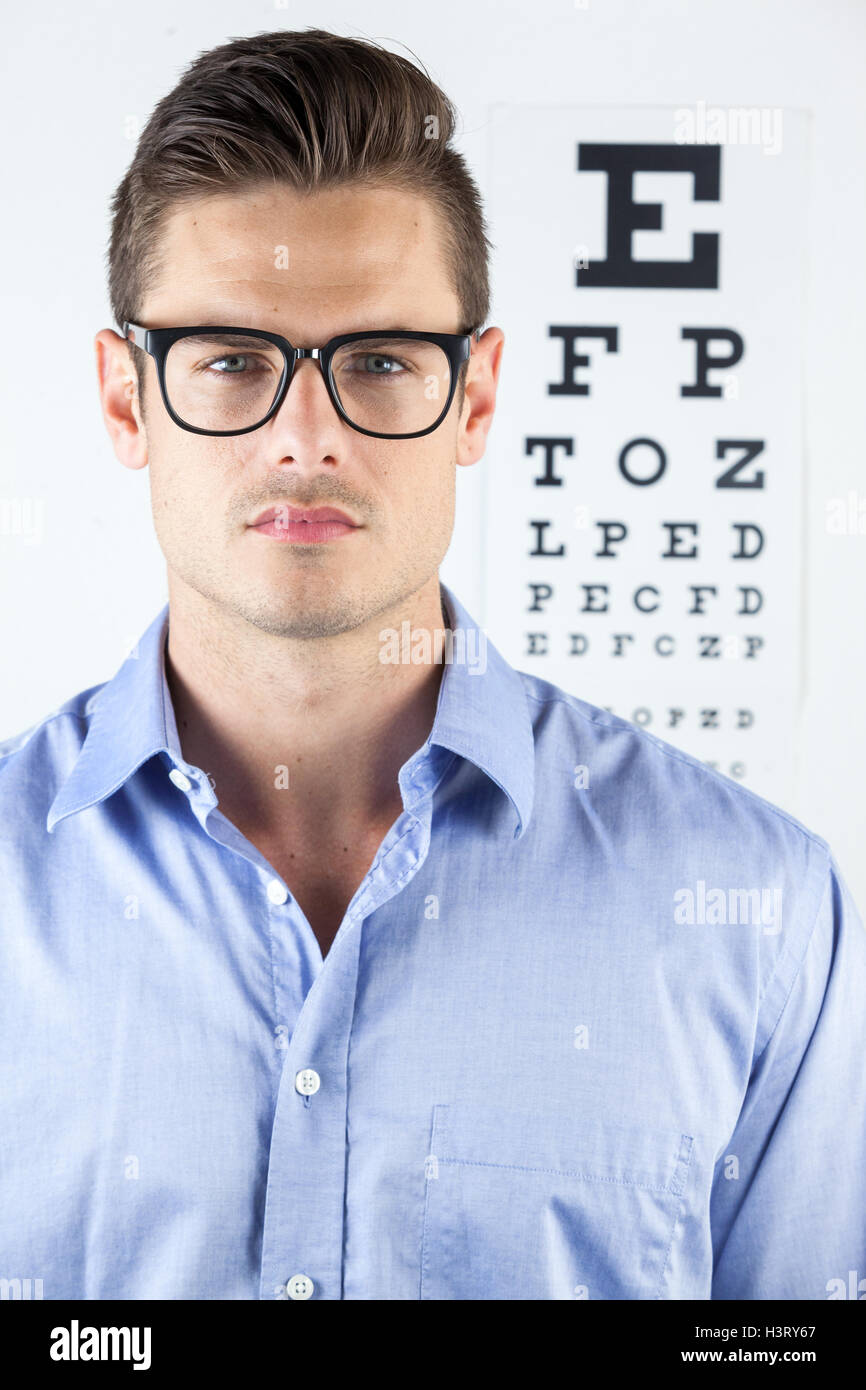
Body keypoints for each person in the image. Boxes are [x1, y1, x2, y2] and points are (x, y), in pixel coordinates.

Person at [1, 27, 863, 1303]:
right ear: (127, 399)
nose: (305, 439)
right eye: (233, 360)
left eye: (379, 361)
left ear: (472, 397)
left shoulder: (758, 908)